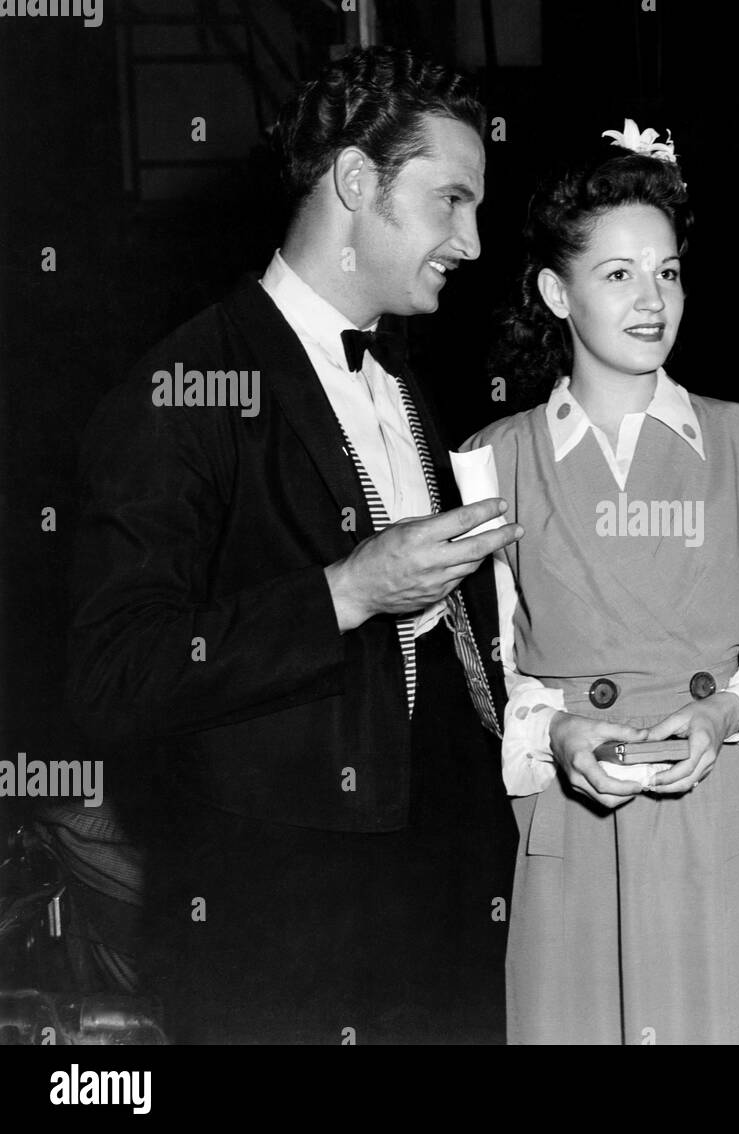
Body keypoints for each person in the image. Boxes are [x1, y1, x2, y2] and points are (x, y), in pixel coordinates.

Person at [67, 47, 521, 1043]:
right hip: (275, 930)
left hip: (435, 905)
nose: (472, 241)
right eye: (451, 201)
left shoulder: (402, 381)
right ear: (356, 180)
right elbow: (114, 674)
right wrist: (345, 593)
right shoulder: (180, 388)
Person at [461, 122, 739, 1044]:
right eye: (618, 273)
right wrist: (557, 734)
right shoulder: (492, 464)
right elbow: (489, 677)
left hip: (719, 805)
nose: (652, 299)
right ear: (557, 292)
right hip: (575, 818)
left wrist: (723, 712)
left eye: (667, 272)